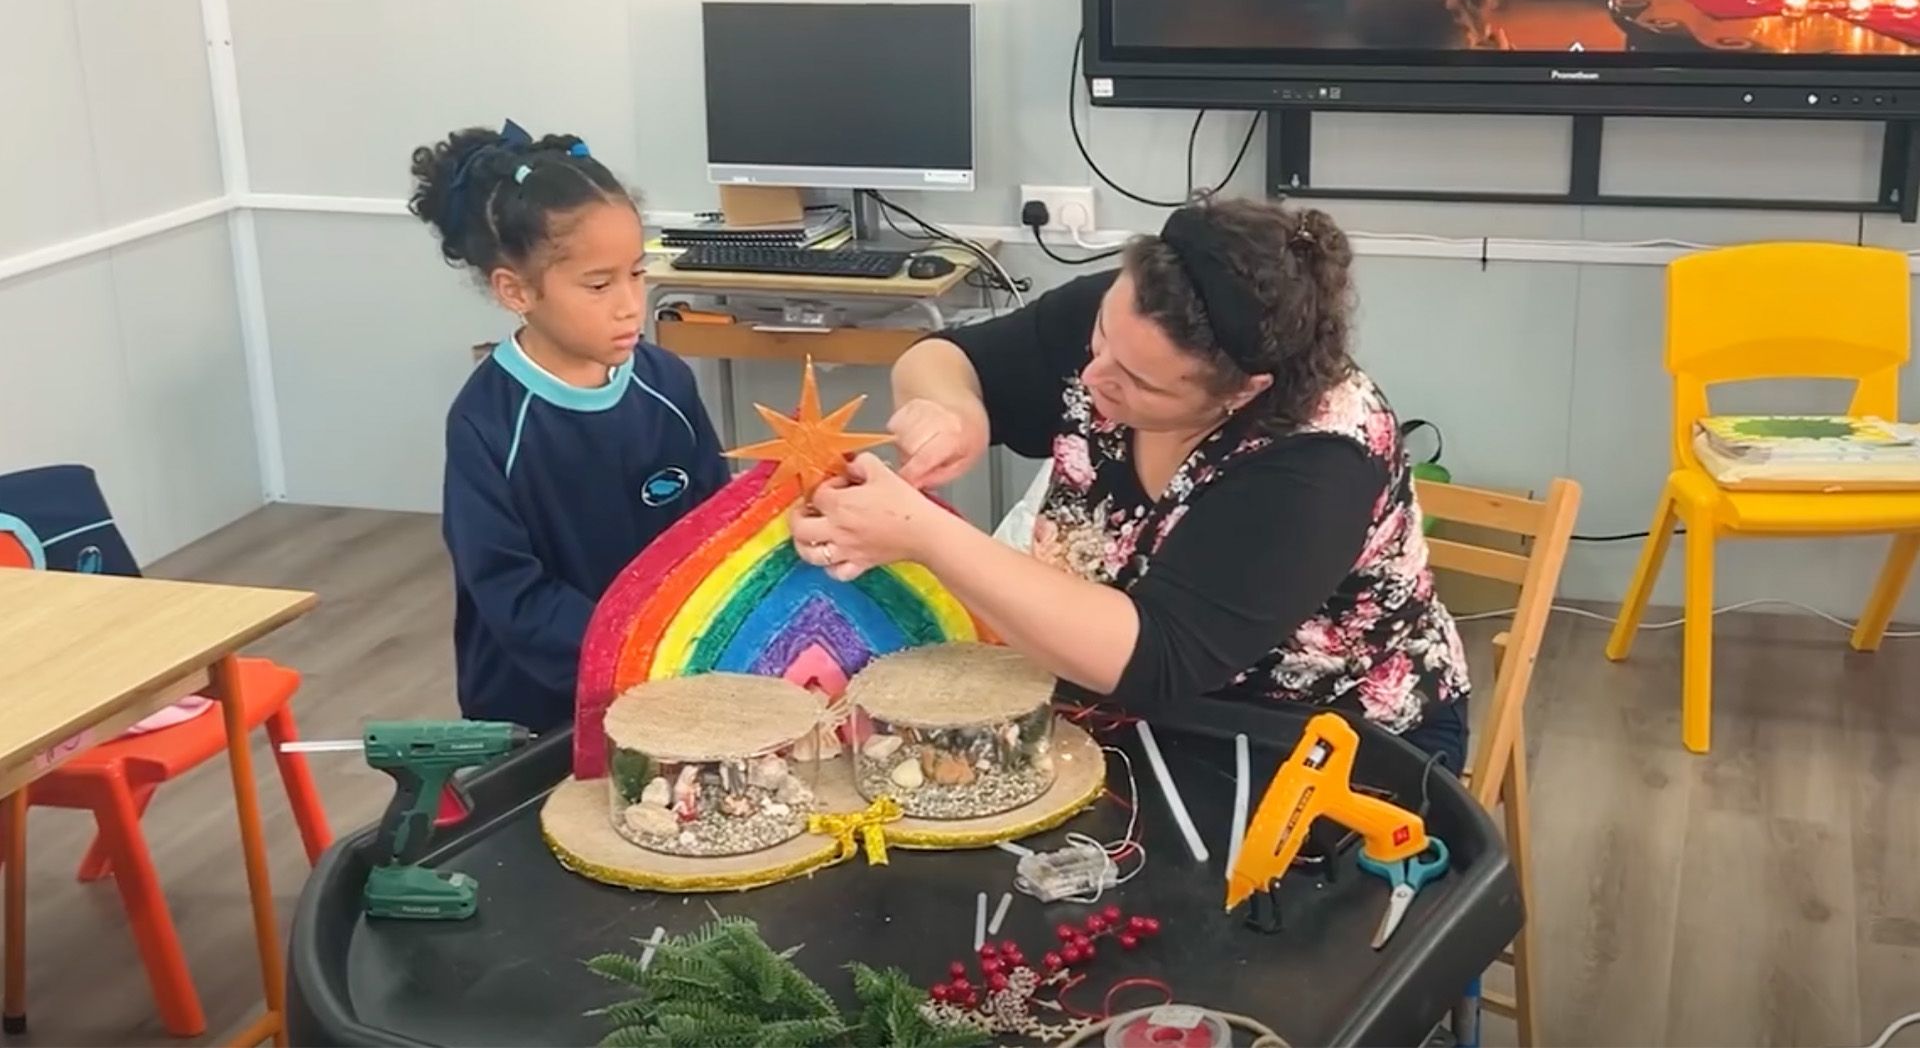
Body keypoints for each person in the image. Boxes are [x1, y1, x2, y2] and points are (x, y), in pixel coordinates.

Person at [789, 198, 1471, 769]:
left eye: (1137, 381)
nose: (1093, 376)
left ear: (1242, 391)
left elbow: (1154, 658)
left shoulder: (1320, 462)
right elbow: (943, 358)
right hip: (1111, 711)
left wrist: (926, 536)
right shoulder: (1135, 322)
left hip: (1320, 742)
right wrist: (952, 410)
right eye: (1100, 339)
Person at [409, 121, 728, 733]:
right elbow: (513, 593)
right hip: (539, 718)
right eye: (599, 284)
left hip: (671, 691)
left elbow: (712, 526)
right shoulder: (485, 425)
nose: (630, 304)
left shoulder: (666, 382)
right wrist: (630, 656)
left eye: (637, 273)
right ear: (515, 291)